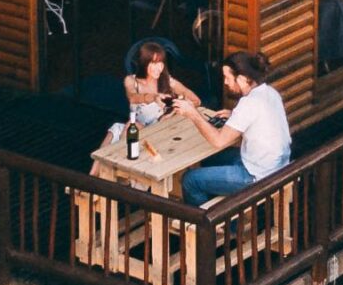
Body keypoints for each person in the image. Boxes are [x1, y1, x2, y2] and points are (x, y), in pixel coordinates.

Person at [176, 51, 291, 207]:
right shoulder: (269, 92)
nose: (225, 82)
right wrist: (234, 116)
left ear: (242, 79)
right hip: (278, 166)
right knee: (210, 159)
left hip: (258, 176)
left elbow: (218, 141)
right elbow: (261, 118)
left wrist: (193, 114)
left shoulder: (248, 104)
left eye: (227, 77)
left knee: (190, 180)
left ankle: (210, 220)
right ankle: (218, 207)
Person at [123, 38, 200, 126]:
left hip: (164, 128)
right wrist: (154, 97)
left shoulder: (168, 81)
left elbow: (196, 100)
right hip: (138, 129)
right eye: (154, 63)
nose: (159, 68)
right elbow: (133, 98)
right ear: (143, 63)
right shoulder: (131, 80)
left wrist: (175, 112)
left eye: (161, 63)